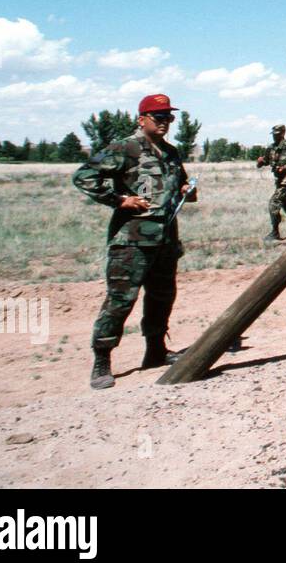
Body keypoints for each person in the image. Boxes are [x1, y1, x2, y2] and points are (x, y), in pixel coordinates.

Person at [72, 93, 196, 390]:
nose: (166, 122)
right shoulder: (124, 148)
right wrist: (120, 200)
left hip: (165, 239)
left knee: (161, 296)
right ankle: (102, 359)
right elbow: (84, 176)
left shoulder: (170, 152)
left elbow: (178, 183)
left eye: (169, 117)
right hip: (131, 241)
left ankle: (155, 351)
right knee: (120, 301)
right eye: (159, 117)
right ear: (142, 120)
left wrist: (185, 189)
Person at [256, 124, 286, 241]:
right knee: (285, 204)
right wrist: (260, 162)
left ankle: (275, 232)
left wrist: (285, 168)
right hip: (279, 180)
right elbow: (266, 160)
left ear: (283, 133)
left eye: (277, 134)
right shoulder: (272, 147)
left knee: (274, 203)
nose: (275, 137)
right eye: (273, 135)